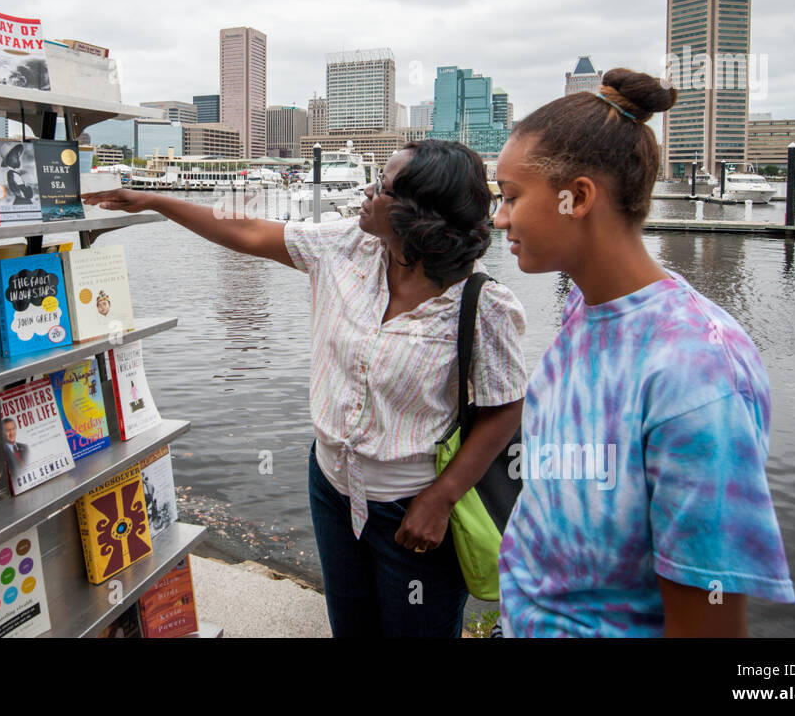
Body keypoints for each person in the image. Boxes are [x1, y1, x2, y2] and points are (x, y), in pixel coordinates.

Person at [85, 139, 528, 638]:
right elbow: (250, 230)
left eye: (380, 186)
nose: (365, 191)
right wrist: (157, 202)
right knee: (351, 626)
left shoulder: (484, 304)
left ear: (417, 213)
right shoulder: (347, 246)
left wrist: (443, 498)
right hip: (332, 490)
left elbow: (505, 408)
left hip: (414, 507)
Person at [492, 67, 795, 637]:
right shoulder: (586, 309)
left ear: (576, 197)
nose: (499, 218)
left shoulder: (697, 370)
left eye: (511, 197)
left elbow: (709, 626)